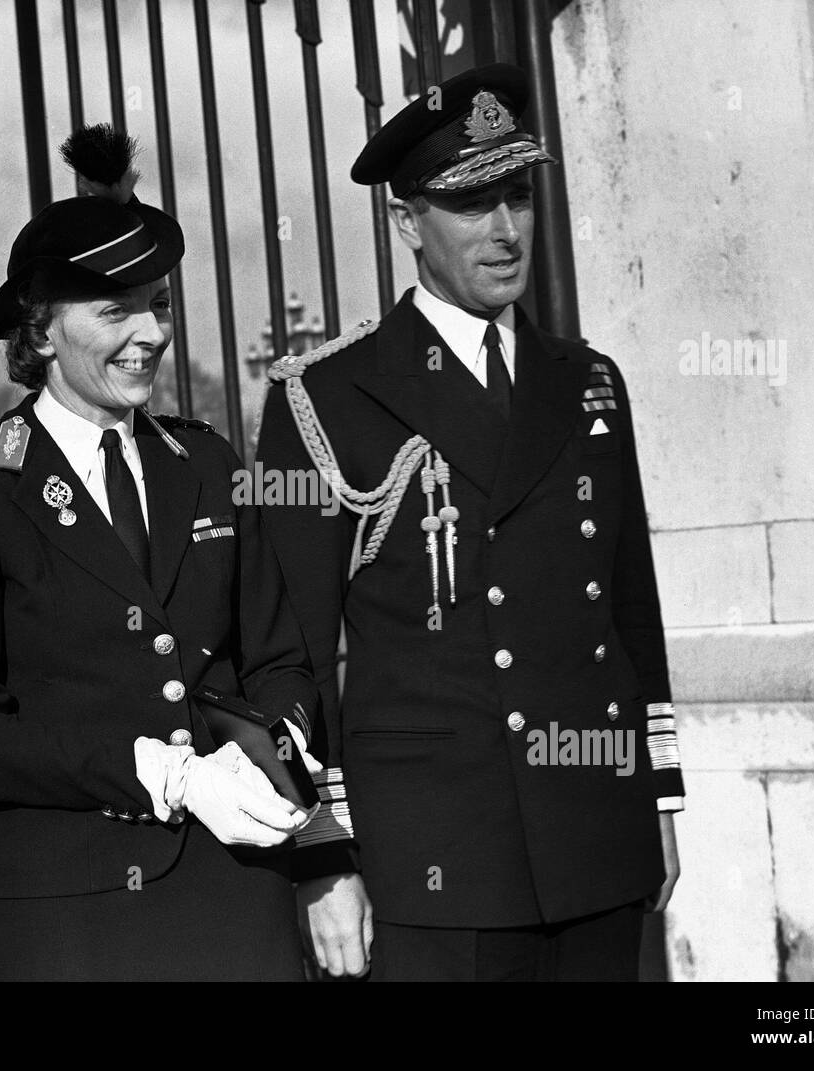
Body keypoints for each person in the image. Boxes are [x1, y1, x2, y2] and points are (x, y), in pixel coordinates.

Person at [256, 63, 684, 982]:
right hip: (434, 859)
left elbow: (628, 609)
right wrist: (322, 856)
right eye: (469, 204)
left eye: (518, 198)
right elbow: (291, 649)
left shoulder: (588, 382)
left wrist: (656, 796)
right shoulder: (325, 399)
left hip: (594, 836)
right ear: (407, 222)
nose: (504, 231)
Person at [0, 125, 349, 981]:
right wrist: (170, 775)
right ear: (40, 330)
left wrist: (279, 767)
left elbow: (281, 659)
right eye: (116, 311)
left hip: (238, 890)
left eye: (160, 304)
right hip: (77, 917)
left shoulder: (206, 463)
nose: (150, 333)